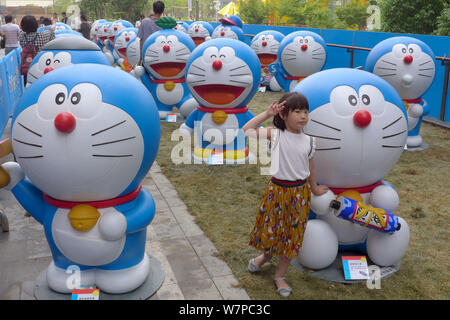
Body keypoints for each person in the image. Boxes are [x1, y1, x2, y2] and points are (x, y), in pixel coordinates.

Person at [242, 92, 329, 297]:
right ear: (283, 114)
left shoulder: (309, 141)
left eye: (305, 112)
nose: (303, 116)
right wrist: (266, 113)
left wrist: (315, 188)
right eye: (297, 111)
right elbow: (247, 131)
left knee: (291, 236)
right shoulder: (276, 135)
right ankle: (265, 256)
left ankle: (280, 275)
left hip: (299, 194)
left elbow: (311, 166)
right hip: (276, 192)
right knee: (272, 231)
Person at [19, 15, 55, 84]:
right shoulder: (43, 35)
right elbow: (51, 32)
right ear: (36, 24)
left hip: (27, 67)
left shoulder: (21, 36)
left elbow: (21, 31)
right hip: (41, 66)